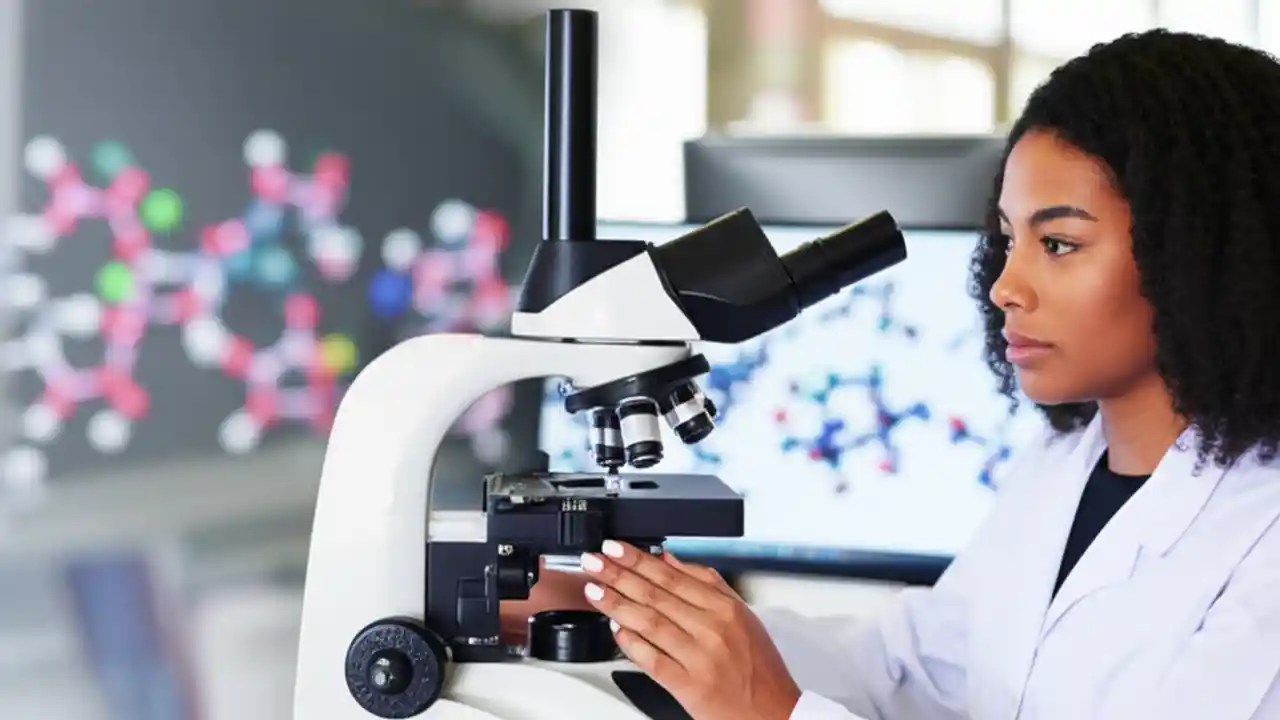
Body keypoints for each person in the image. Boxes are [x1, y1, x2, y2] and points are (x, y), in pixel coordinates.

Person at [572, 30, 1280, 719]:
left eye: (1059, 243)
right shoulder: (1065, 465)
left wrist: (768, 714)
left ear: (1202, 252)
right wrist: (627, 615)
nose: (1006, 286)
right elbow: (908, 671)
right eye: (1008, 239)